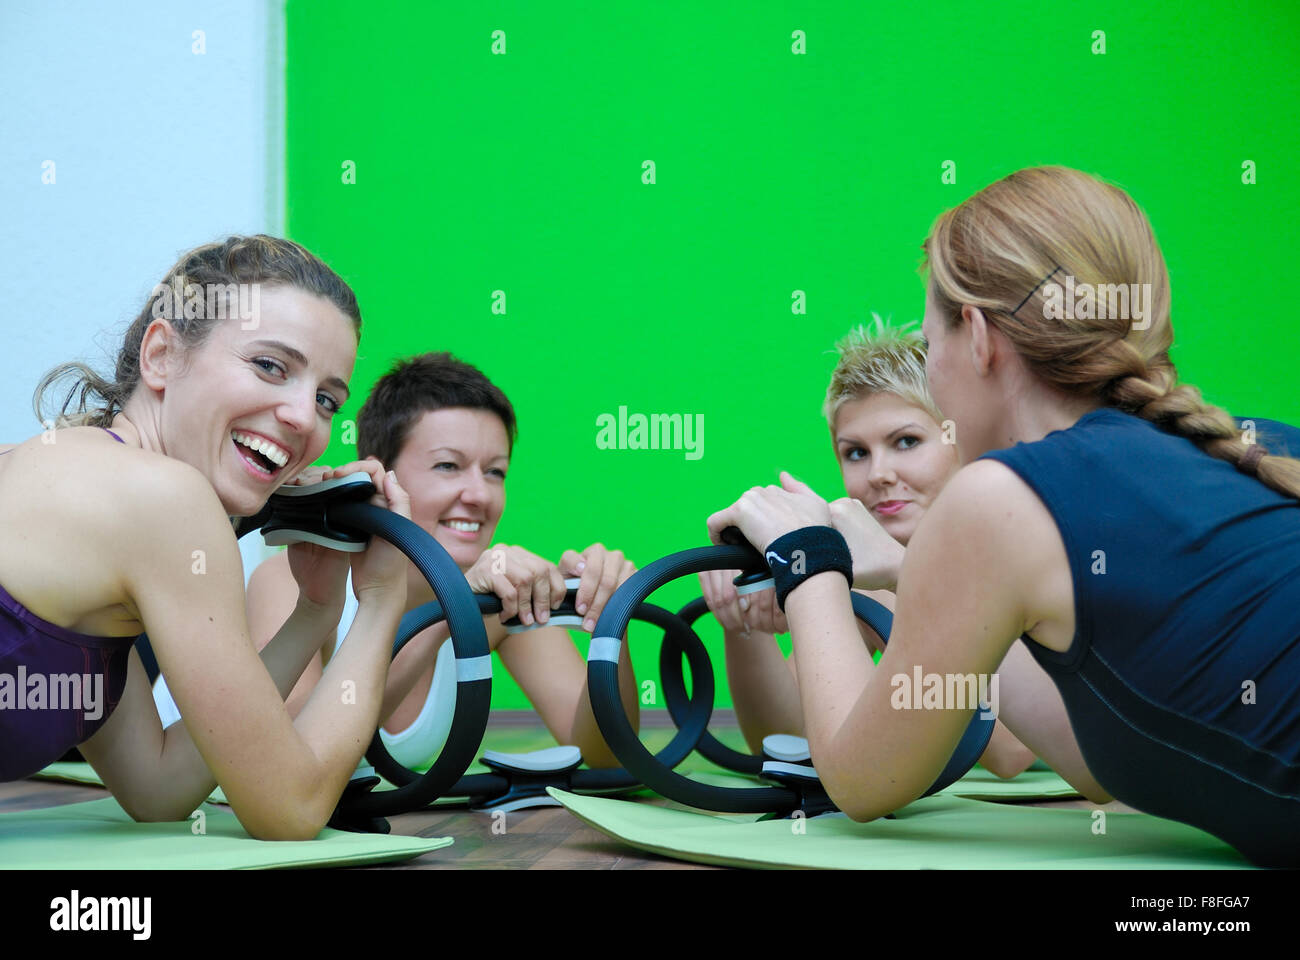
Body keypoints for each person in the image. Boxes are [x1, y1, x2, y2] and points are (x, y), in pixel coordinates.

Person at [706, 166, 1300, 866]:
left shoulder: (998, 498)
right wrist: (906, 568)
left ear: (981, 338)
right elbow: (1099, 761)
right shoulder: (1268, 448)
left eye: (931, 348)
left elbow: (860, 779)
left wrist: (808, 558)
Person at [0, 235, 415, 840]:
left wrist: (315, 611)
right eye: (270, 366)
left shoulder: (99, 496)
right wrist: (381, 604)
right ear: (162, 356)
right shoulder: (165, 503)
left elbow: (157, 785)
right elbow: (289, 809)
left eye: (327, 399)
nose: (303, 417)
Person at [155, 352, 640, 768]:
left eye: (495, 472)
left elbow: (605, 755)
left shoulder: (496, 600)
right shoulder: (296, 576)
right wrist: (452, 611)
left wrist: (610, 624)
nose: (478, 494)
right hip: (158, 778)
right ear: (381, 475)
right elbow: (292, 756)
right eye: (448, 465)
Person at [698, 318, 1035, 777]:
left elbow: (1012, 753)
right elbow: (787, 740)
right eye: (855, 452)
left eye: (906, 441)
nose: (878, 473)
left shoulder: (1021, 546)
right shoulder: (865, 587)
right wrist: (744, 614)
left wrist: (904, 579)